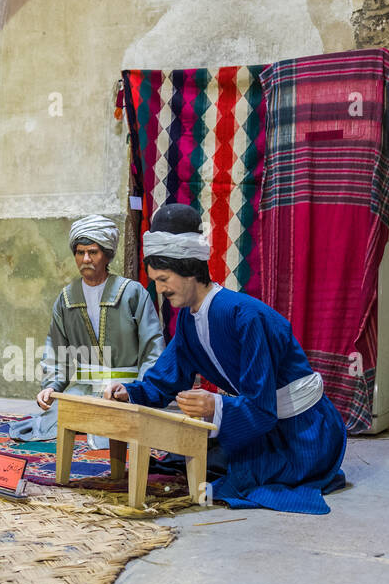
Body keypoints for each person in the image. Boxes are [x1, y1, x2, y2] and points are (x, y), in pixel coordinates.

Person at [103, 204, 346, 513]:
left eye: (164, 279)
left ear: (190, 268)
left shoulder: (245, 316)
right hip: (264, 422)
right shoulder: (189, 322)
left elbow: (262, 406)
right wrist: (130, 392)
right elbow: (166, 377)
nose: (160, 289)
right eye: (156, 281)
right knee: (188, 458)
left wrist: (214, 405)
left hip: (303, 432)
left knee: (236, 479)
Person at [9, 214, 163, 448]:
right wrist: (51, 386)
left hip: (124, 392)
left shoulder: (132, 293)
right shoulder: (67, 298)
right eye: (80, 252)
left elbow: (153, 347)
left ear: (107, 255)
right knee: (45, 429)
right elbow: (56, 350)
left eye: (93, 252)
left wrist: (139, 391)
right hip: (82, 391)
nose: (86, 259)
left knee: (121, 433)